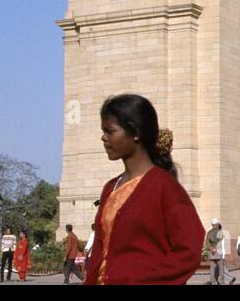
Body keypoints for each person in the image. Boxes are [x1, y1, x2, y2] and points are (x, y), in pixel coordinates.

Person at [83, 93, 205, 285]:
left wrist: (141, 279)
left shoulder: (165, 188)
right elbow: (100, 253)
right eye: (103, 131)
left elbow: (189, 251)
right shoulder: (110, 188)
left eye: (110, 131)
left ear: (136, 133)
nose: (103, 138)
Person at [204, 219, 230, 285]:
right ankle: (221, 282)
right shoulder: (220, 232)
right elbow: (220, 242)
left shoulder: (209, 232)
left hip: (211, 252)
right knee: (221, 268)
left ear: (212, 225)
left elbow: (206, 243)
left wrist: (211, 248)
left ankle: (213, 282)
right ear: (217, 224)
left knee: (212, 269)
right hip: (219, 252)